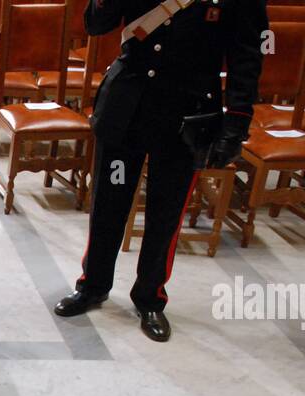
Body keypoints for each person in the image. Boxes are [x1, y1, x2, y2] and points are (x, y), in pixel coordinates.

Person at [54, 0, 267, 341]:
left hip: (187, 117)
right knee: (108, 205)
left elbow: (247, 54)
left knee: (165, 214)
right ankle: (93, 286)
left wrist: (236, 123)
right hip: (127, 111)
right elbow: (96, 24)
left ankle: (150, 297)